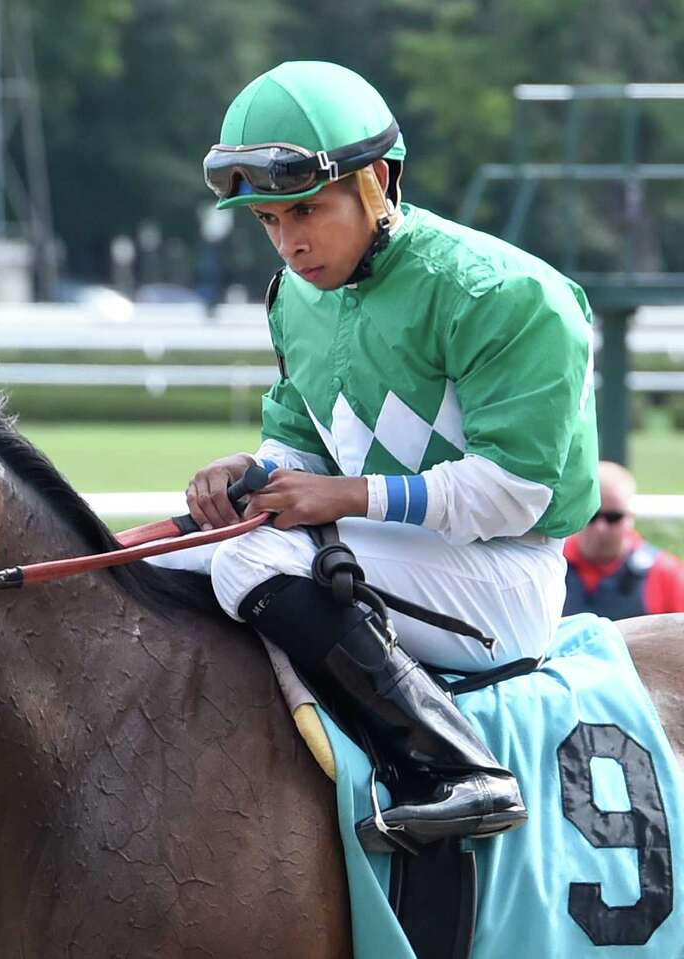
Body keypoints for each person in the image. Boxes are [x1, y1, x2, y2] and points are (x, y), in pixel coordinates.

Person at [165, 60, 599, 852]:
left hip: (502, 577)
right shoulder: (296, 297)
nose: (290, 242)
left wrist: (344, 496)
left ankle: (457, 767)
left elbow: (515, 491)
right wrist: (251, 471)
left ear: (378, 181)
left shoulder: (503, 295)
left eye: (307, 209)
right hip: (388, 553)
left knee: (250, 560)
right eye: (268, 220)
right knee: (166, 557)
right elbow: (300, 441)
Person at [563, 460, 684, 618]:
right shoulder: (549, 562)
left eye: (613, 517)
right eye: (591, 515)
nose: (600, 527)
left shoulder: (666, 575)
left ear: (630, 517)